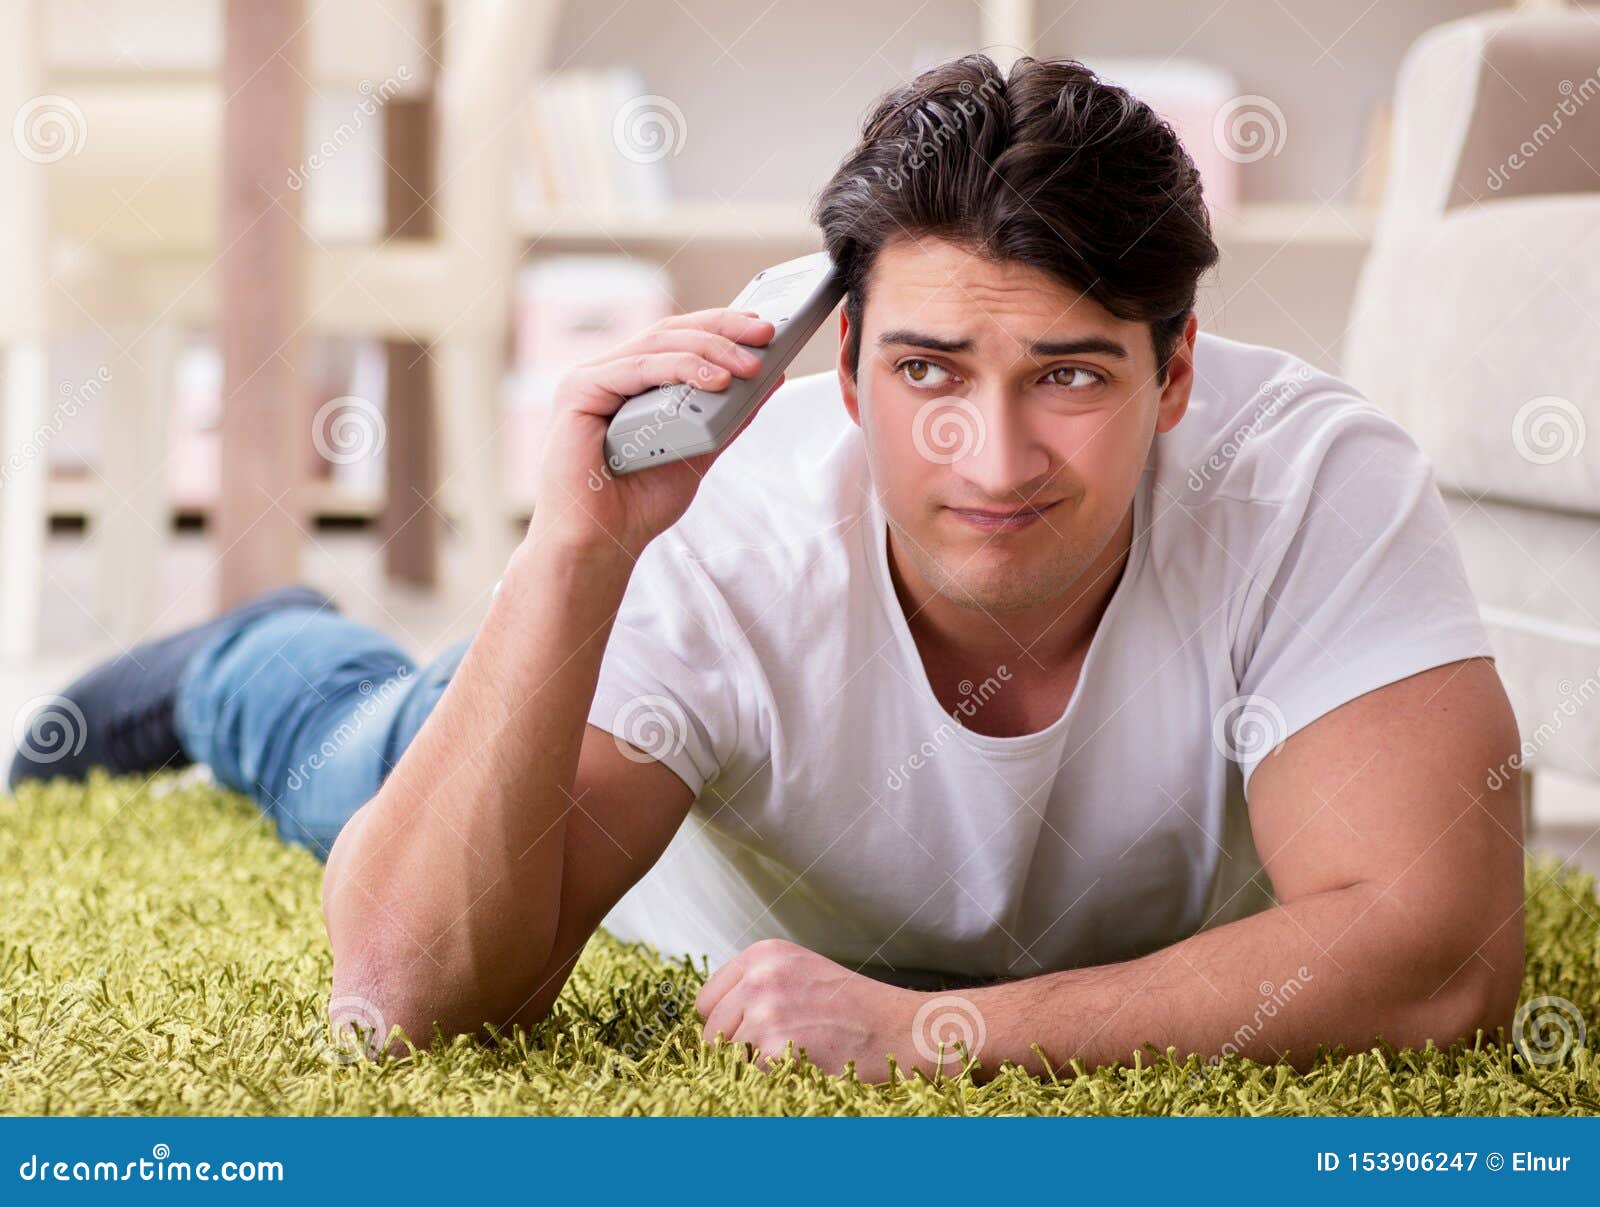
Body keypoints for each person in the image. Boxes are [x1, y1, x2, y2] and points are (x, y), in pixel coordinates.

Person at [10, 54, 1525, 1081]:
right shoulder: (730, 516)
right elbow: (402, 997)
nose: (994, 465)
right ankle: (243, 652)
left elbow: (1441, 958)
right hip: (605, 743)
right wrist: (576, 557)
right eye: (930, 371)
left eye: (1068, 379)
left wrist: (949, 1032)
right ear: (846, 359)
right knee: (364, 747)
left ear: (1177, 370)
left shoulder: (1311, 480)